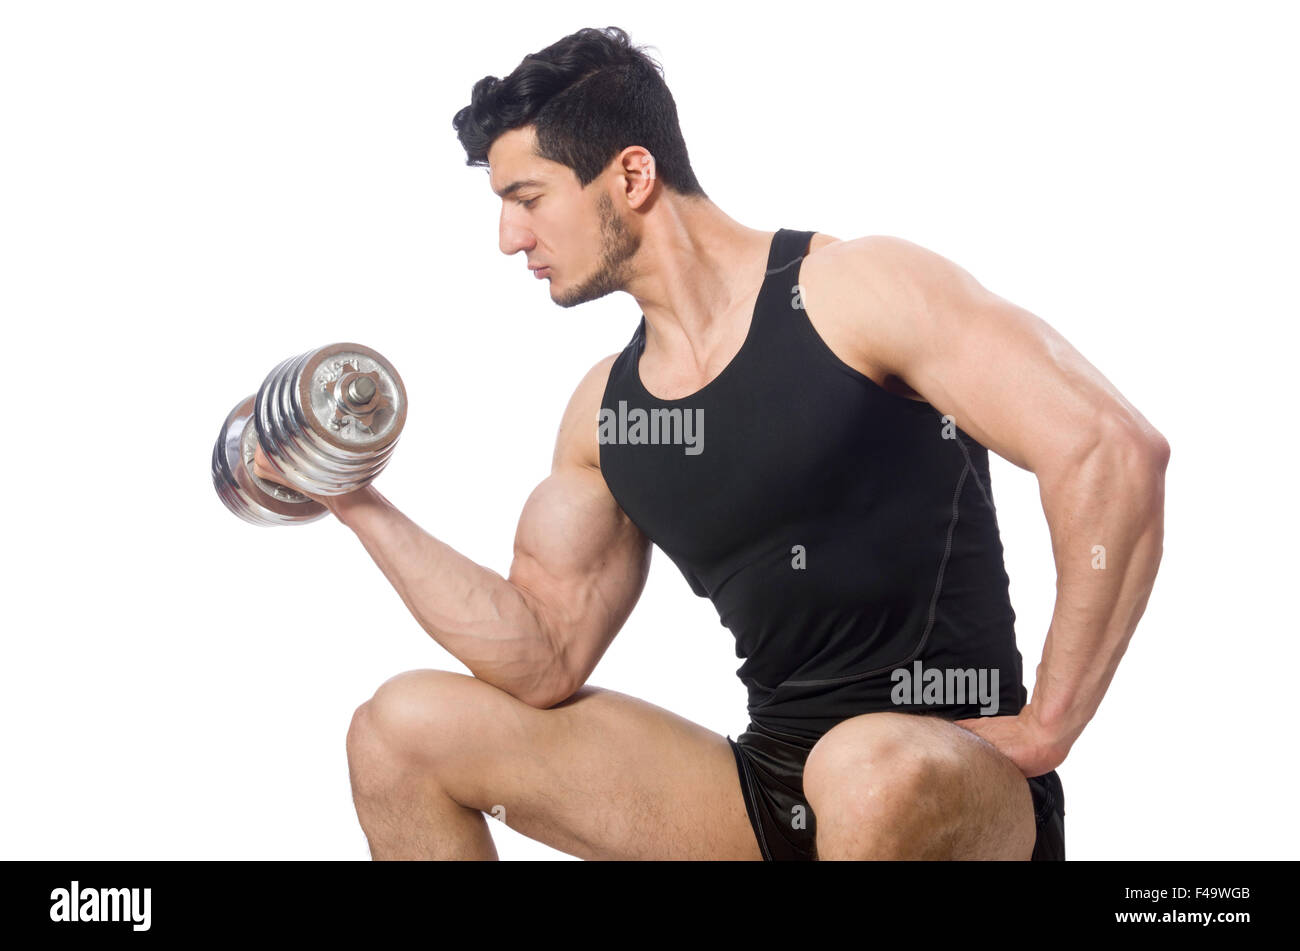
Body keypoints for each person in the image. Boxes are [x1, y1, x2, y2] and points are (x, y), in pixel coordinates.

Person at [255, 25, 1169, 860]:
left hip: (955, 784)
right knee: (399, 727)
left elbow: (1109, 449)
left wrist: (1050, 720)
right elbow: (541, 654)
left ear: (631, 175)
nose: (508, 236)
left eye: (527, 197)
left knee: (865, 766)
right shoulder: (605, 416)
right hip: (770, 789)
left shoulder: (856, 291)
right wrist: (352, 499)